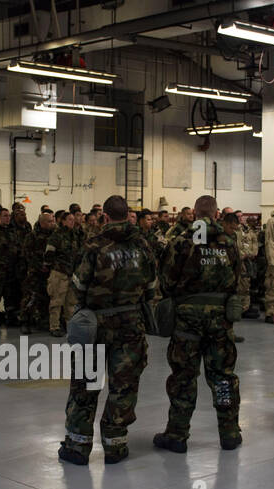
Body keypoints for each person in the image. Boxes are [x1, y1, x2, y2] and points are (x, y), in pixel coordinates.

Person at [58, 195, 158, 466]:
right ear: (128, 215)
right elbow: (151, 288)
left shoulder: (93, 246)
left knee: (86, 384)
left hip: (95, 326)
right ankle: (115, 446)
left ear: (105, 216)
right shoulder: (142, 245)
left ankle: (78, 446)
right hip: (130, 326)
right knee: (123, 385)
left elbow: (78, 287)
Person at [153, 195, 247, 453]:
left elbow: (167, 281)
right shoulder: (229, 242)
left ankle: (177, 434)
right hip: (220, 320)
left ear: (194, 214)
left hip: (188, 321)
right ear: (217, 215)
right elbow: (239, 279)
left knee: (184, 376)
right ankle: (229, 432)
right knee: (223, 377)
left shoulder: (182, 241)